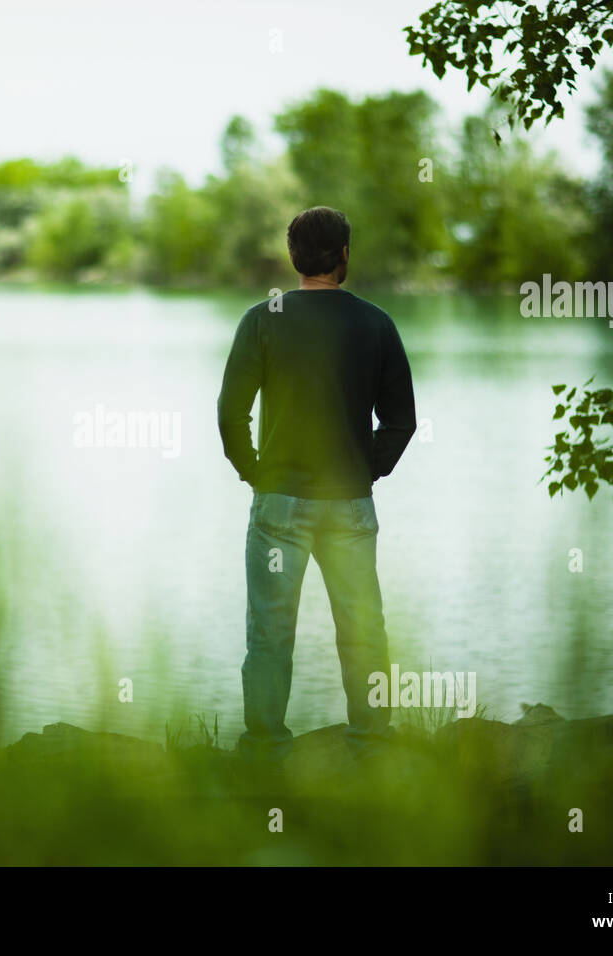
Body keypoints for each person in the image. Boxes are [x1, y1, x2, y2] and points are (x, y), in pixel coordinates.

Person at [217, 206, 416, 763]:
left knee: (270, 634)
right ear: (345, 256)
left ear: (294, 257)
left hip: (278, 503)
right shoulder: (376, 323)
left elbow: (230, 413)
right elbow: (401, 421)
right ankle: (372, 744)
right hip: (349, 505)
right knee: (363, 630)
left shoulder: (263, 318)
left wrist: (252, 470)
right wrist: (366, 468)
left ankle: (265, 749)